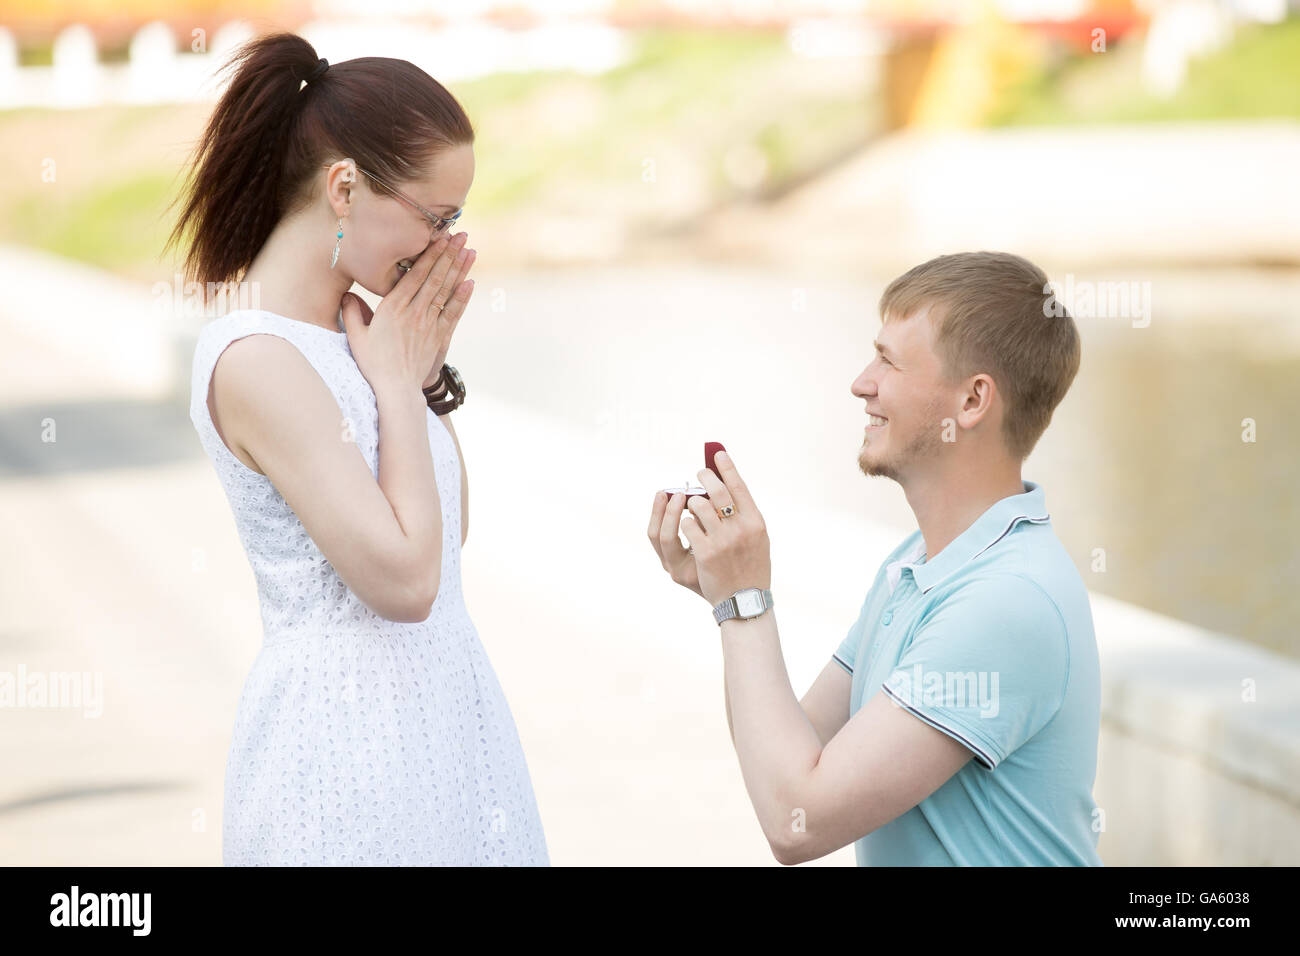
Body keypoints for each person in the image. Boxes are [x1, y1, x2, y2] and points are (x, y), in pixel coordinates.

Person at [167, 32, 548, 865]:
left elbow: (447, 534)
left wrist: (418, 376)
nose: (446, 247)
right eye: (436, 217)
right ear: (345, 187)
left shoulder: (364, 335)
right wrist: (398, 385)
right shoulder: (258, 359)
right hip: (344, 761)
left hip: (448, 732)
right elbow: (407, 583)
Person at [648, 251, 1103, 866]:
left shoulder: (1006, 601)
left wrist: (744, 602)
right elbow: (791, 752)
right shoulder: (918, 563)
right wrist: (724, 593)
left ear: (972, 402)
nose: (861, 382)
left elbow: (795, 823)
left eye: (888, 360)